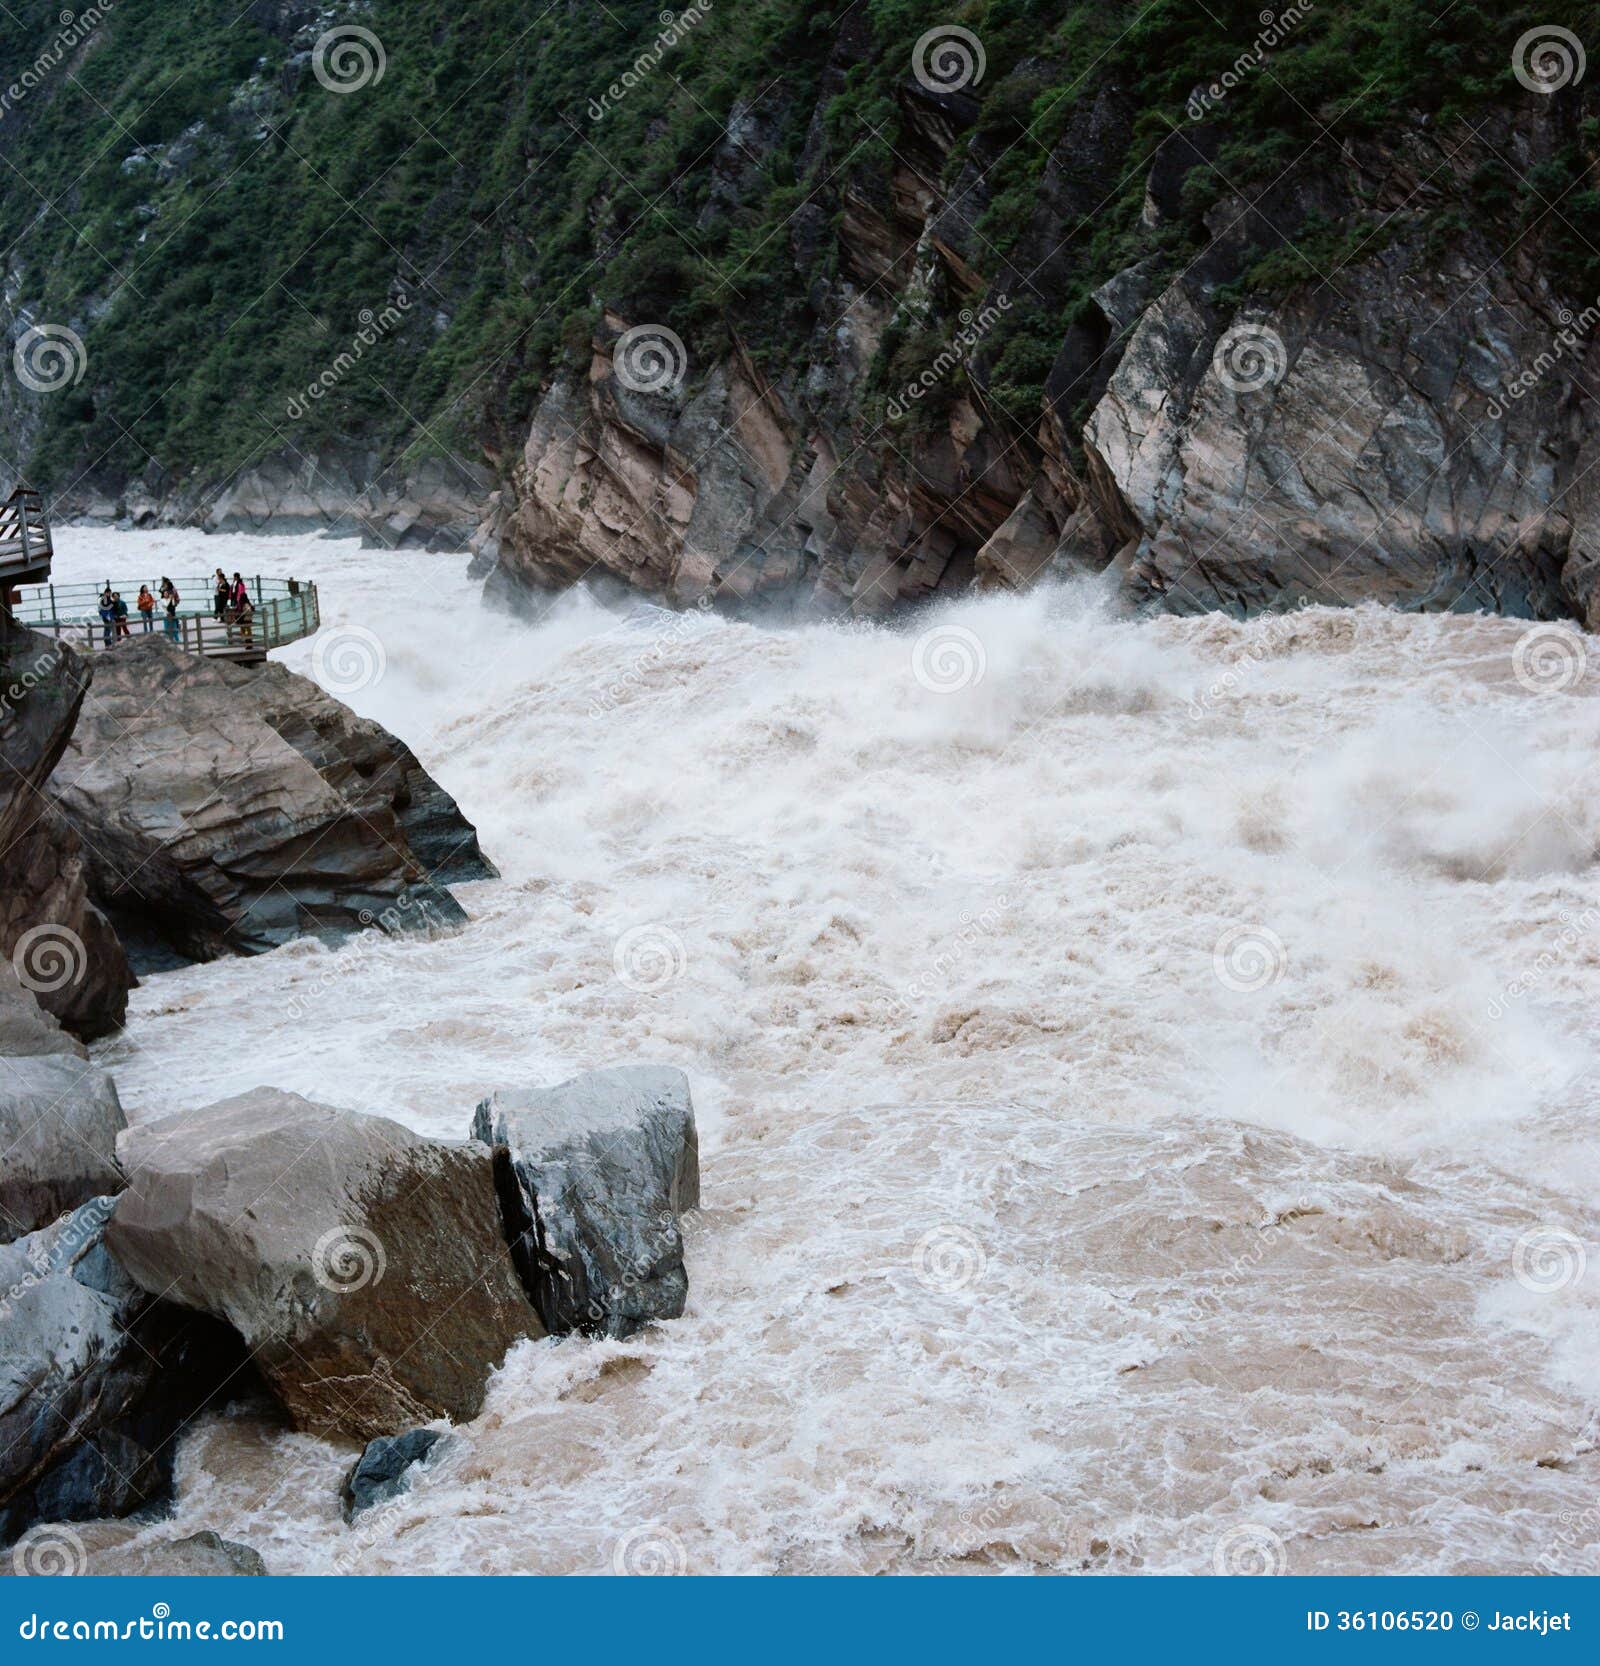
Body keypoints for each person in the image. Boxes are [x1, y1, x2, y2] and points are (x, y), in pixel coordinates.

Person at [158, 577, 180, 643]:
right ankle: (170, 639)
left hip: (171, 612)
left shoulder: (170, 589)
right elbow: (165, 604)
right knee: (167, 627)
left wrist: (172, 599)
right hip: (167, 613)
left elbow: (173, 603)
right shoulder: (163, 599)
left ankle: (176, 639)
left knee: (173, 626)